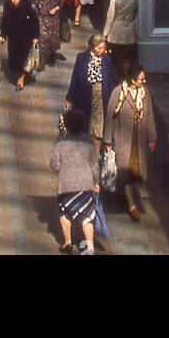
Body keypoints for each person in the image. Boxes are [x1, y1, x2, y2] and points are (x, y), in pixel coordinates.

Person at [50, 107, 105, 255]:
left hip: (66, 185)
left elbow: (55, 165)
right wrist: (96, 182)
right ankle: (90, 247)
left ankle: (68, 242)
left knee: (64, 213)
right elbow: (94, 165)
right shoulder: (88, 141)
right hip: (85, 185)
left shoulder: (60, 143)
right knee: (87, 216)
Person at [104, 66, 157, 219]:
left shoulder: (144, 93)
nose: (144, 81)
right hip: (123, 138)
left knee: (135, 169)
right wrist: (108, 139)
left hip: (139, 139)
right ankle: (131, 203)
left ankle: (127, 193)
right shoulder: (118, 93)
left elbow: (149, 115)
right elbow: (110, 117)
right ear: (132, 79)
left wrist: (152, 136)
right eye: (141, 78)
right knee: (126, 169)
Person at [66, 32, 116, 154]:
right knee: (85, 125)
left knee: (99, 127)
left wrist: (113, 98)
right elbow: (75, 78)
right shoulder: (82, 58)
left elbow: (110, 80)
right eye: (99, 48)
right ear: (93, 47)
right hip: (85, 98)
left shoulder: (107, 60)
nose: (102, 50)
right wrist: (70, 97)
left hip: (101, 98)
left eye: (104, 48)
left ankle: (96, 153)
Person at [0, 0, 39, 89]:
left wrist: (35, 36)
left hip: (25, 37)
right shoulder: (8, 6)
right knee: (14, 60)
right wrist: (3, 35)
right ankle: (21, 74)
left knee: (23, 59)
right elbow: (5, 21)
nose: (14, 0)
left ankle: (21, 80)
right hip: (13, 38)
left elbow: (35, 20)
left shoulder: (26, 5)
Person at [103, 0, 138, 80]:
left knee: (115, 57)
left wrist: (105, 33)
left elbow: (110, 18)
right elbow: (135, 12)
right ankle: (127, 77)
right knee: (127, 57)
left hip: (116, 32)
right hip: (129, 32)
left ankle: (115, 78)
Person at [35, 0, 62, 70]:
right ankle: (42, 62)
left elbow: (62, 4)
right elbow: (36, 9)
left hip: (53, 21)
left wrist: (55, 9)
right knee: (41, 41)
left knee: (52, 40)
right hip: (42, 21)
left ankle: (52, 54)